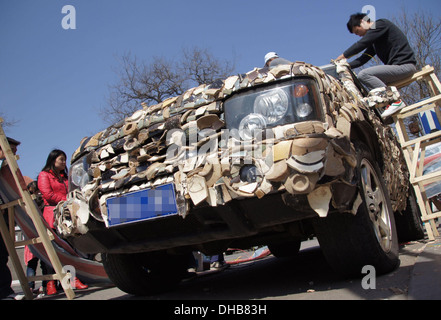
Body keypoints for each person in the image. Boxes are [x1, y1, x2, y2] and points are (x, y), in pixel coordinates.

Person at [335, 13, 417, 118]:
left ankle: (394, 102)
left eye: (357, 31)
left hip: (405, 66)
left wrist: (343, 56)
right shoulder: (375, 41)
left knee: (364, 75)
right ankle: (386, 108)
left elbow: (362, 43)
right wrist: (345, 66)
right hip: (397, 69)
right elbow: (363, 58)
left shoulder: (381, 24)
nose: (359, 35)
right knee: (372, 90)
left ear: (362, 22)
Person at [37, 149, 88, 295]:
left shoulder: (65, 177)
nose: (64, 162)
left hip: (67, 214)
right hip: (52, 214)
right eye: (61, 159)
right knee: (53, 249)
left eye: (65, 160)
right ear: (53, 160)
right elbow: (47, 193)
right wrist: (67, 200)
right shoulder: (44, 175)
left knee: (69, 247)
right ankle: (50, 283)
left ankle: (73, 279)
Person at [0, 137, 21, 299]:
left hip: (6, 214)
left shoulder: (9, 167)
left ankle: (5, 291)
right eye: (11, 150)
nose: (14, 154)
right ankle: (4, 291)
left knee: (3, 253)